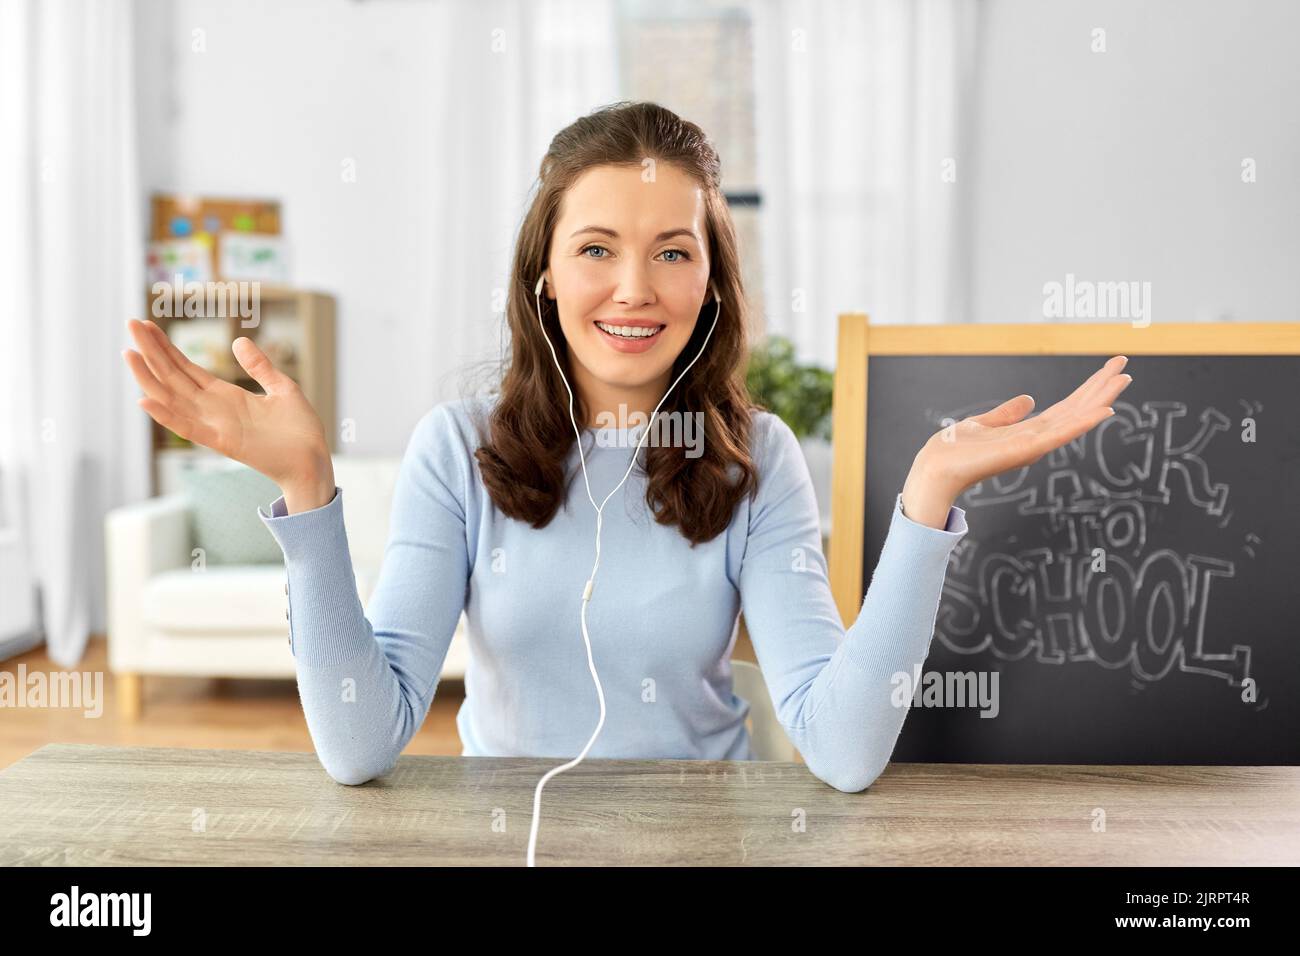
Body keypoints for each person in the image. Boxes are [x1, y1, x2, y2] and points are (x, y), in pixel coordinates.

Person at [121, 101, 1131, 794]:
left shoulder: (758, 457)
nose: (635, 287)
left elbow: (845, 748)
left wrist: (925, 503)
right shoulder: (455, 449)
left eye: (673, 251)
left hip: (709, 831)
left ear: (711, 284)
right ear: (545, 276)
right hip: (503, 828)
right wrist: (305, 487)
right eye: (596, 247)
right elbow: (357, 743)